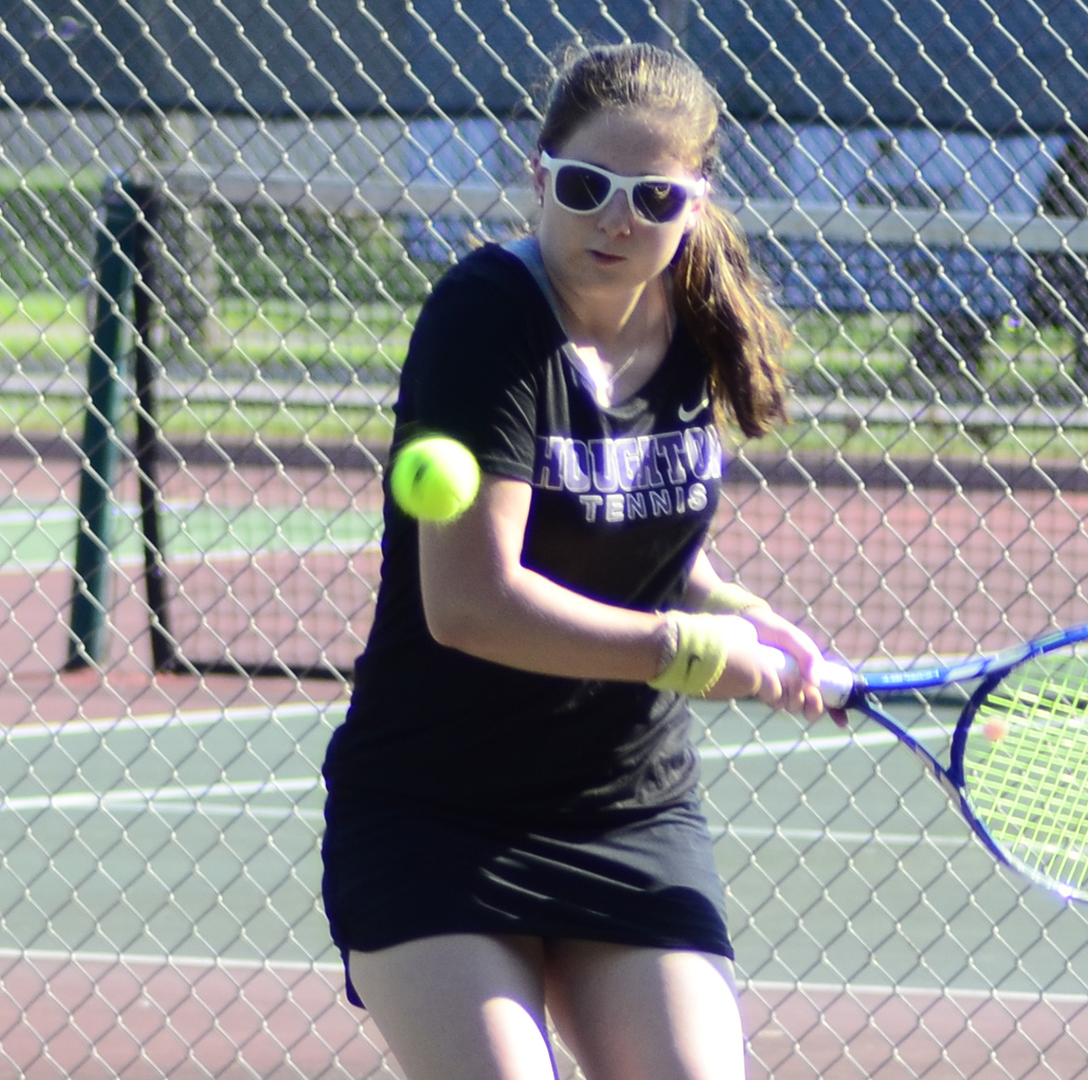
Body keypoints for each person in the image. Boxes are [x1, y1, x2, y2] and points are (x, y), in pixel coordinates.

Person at [319, 40, 831, 1080]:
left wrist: (731, 609)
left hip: (627, 811)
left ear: (696, 199)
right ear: (539, 173)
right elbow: (472, 602)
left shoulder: (694, 326)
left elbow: (638, 541)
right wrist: (692, 653)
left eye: (653, 197)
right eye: (588, 186)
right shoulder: (484, 317)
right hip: (435, 815)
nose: (617, 219)